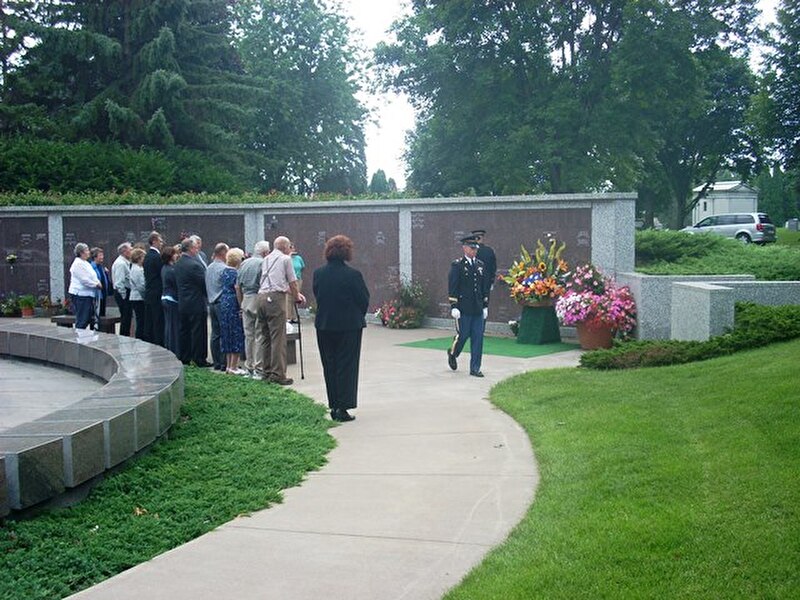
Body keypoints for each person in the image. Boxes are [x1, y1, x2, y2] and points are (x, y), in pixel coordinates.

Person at [313, 235, 370, 422]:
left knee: (330, 365)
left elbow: (318, 295)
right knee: (347, 366)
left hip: (324, 325)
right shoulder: (353, 275)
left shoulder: (319, 273)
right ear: (347, 252)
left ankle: (334, 404)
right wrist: (356, 314)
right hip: (349, 326)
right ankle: (343, 407)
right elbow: (363, 299)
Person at [257, 236, 305, 385]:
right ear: (285, 247)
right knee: (278, 337)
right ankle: (278, 374)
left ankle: (266, 371)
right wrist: (297, 296)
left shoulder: (266, 259)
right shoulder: (285, 259)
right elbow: (292, 281)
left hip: (261, 298)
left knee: (266, 337)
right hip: (275, 299)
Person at [446, 235, 491, 377]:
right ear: (464, 248)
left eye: (476, 248)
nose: (474, 251)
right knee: (463, 335)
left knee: (478, 338)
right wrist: (454, 306)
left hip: (477, 308)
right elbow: (453, 287)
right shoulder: (457, 265)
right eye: (472, 248)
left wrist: (485, 305)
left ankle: (475, 368)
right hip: (464, 308)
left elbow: (484, 287)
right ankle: (453, 353)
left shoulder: (480, 265)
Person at [174, 236, 210, 367]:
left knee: (185, 331)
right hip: (196, 303)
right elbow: (203, 284)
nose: (197, 250)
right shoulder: (195, 265)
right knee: (198, 332)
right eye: (195, 248)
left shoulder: (178, 263)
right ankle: (199, 358)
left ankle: (185, 356)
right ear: (189, 249)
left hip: (183, 302)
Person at [236, 240, 270, 379]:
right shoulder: (263, 263)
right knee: (259, 335)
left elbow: (237, 287)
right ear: (265, 252)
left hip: (245, 300)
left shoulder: (244, 263)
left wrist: (241, 304)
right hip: (258, 298)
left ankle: (249, 367)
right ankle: (258, 368)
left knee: (248, 336)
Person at [219, 247, 247, 375]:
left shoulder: (224, 271)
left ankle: (228, 365)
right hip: (233, 303)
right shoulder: (236, 273)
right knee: (236, 333)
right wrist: (241, 305)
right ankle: (234, 366)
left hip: (224, 302)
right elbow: (237, 289)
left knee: (227, 333)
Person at [205, 242, 229, 371]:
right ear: (223, 253)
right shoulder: (224, 269)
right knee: (224, 332)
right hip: (221, 303)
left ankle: (216, 362)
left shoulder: (208, 267)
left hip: (211, 303)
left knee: (215, 334)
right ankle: (224, 362)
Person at [68, 242, 101, 329]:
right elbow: (84, 280)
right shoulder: (78, 264)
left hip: (88, 295)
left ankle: (85, 338)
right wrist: (96, 284)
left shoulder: (86, 263)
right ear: (81, 252)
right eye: (87, 250)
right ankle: (79, 338)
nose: (89, 252)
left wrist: (97, 281)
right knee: (82, 319)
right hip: (81, 295)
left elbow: (93, 275)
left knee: (87, 317)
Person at [143, 231, 165, 346]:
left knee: (151, 320)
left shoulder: (147, 256)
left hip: (150, 292)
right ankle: (158, 343)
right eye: (160, 241)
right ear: (154, 241)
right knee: (157, 320)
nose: (162, 243)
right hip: (156, 292)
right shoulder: (156, 257)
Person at [160, 244, 181, 357]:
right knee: (173, 326)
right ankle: (174, 350)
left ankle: (169, 347)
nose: (176, 255)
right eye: (174, 254)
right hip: (172, 299)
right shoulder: (170, 270)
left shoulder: (165, 268)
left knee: (169, 325)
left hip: (165, 297)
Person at [111, 242, 133, 336]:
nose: (132, 251)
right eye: (130, 249)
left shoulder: (125, 262)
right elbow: (119, 282)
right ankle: (124, 336)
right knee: (125, 317)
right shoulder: (121, 264)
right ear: (124, 251)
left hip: (124, 292)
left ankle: (125, 335)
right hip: (122, 293)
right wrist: (124, 296)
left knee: (127, 317)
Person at [89, 246, 112, 327]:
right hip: (96, 295)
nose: (102, 257)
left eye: (102, 255)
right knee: (96, 316)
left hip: (103, 295)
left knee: (102, 315)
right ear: (95, 257)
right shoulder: (91, 267)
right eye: (100, 255)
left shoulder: (101, 267)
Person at [472, 229, 497, 296]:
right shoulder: (489, 251)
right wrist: (491, 281)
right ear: (482, 238)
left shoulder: (471, 251)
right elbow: (493, 268)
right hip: (486, 282)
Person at [128, 248, 147, 340]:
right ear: (139, 258)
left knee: (141, 320)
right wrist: (145, 296)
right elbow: (141, 286)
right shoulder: (137, 270)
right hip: (138, 298)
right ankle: (140, 338)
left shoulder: (136, 268)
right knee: (141, 320)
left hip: (137, 297)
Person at [287, 244, 306, 323]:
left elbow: (302, 267)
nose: (292, 249)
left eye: (293, 247)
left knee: (296, 296)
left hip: (297, 279)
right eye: (290, 248)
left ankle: (295, 317)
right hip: (288, 280)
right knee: (288, 298)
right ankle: (288, 317)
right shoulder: (286, 258)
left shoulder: (298, 258)